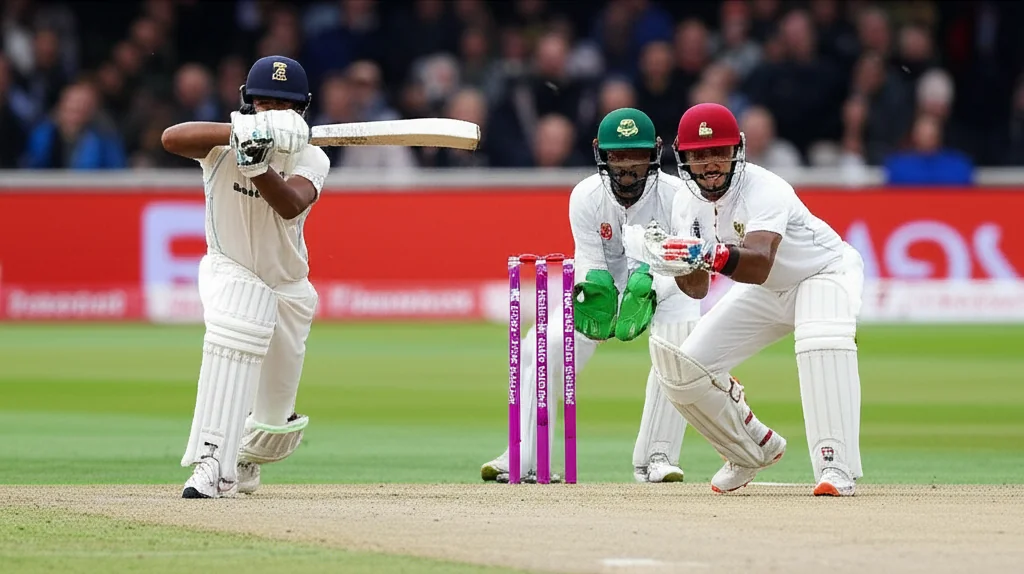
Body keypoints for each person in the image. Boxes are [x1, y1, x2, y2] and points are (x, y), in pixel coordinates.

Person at [626, 102, 864, 496]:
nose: (710, 164)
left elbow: (758, 265)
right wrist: (670, 260)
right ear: (683, 158)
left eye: (718, 152)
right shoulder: (687, 202)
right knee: (684, 372)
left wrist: (702, 253)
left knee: (821, 339)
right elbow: (698, 288)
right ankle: (750, 448)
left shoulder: (766, 188)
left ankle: (835, 466)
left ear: (737, 149)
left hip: (824, 274)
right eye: (699, 156)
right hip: (770, 292)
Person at [481, 108, 705, 484]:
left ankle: (658, 457)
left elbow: (681, 263)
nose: (627, 168)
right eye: (618, 156)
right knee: (541, 343)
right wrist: (593, 290)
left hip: (667, 287)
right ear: (600, 152)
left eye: (636, 155)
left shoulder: (680, 196)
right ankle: (524, 456)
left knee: (680, 350)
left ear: (656, 151)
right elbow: (587, 257)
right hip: (602, 288)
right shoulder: (585, 195)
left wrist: (648, 287)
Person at [160, 55, 331, 498]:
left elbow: (291, 204)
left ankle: (245, 458)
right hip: (227, 266)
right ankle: (210, 462)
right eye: (263, 103)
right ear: (247, 103)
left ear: (302, 109)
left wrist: (257, 166)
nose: (271, 111)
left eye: (283, 105)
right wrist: (241, 134)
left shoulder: (313, 157)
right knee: (236, 327)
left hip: (287, 287)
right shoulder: (219, 145)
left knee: (274, 419)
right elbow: (170, 138)